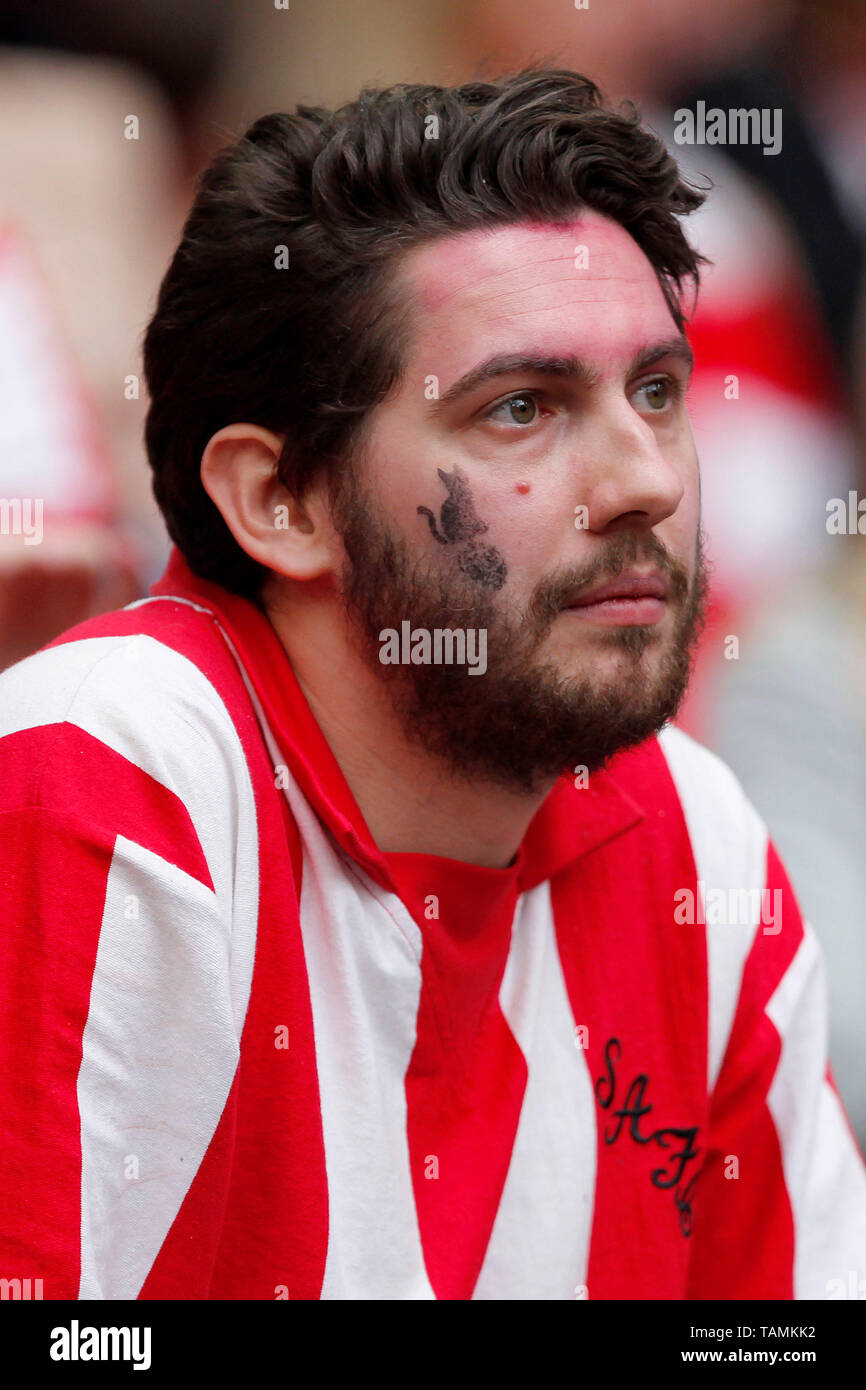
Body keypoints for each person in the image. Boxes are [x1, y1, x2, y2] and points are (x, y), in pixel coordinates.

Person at [0, 69, 863, 1301]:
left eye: (655, 392)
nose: (647, 481)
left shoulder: (689, 833)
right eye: (521, 407)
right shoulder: (103, 780)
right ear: (277, 500)